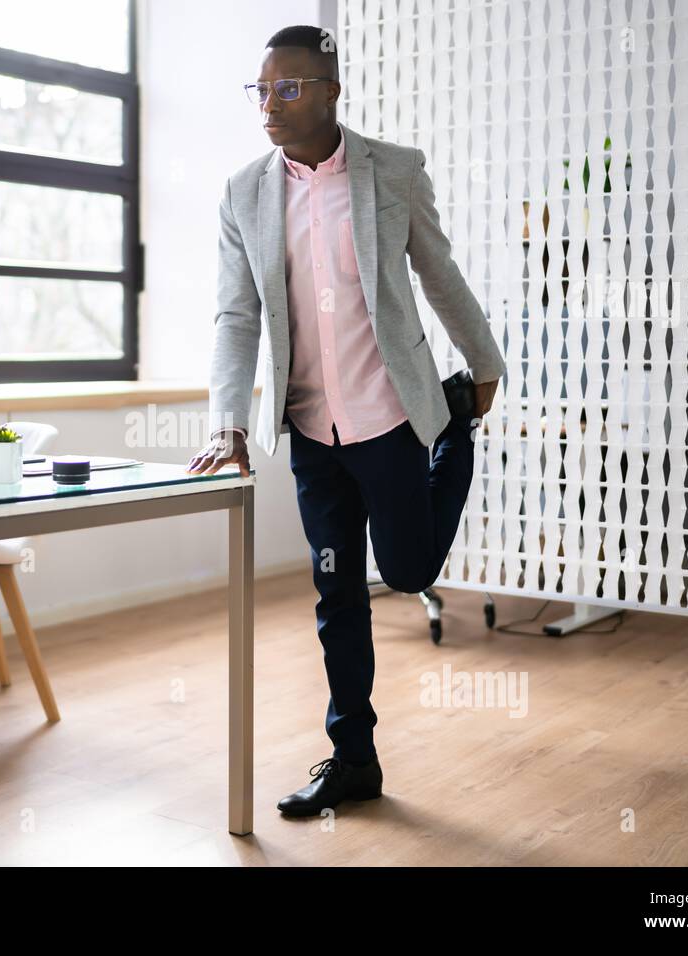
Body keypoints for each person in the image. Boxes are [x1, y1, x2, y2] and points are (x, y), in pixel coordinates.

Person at [186, 24, 505, 817]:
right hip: (311, 433)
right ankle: (353, 756)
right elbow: (236, 316)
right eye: (259, 89)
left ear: (329, 90)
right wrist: (227, 422)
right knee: (337, 599)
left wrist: (485, 361)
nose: (269, 104)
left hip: (390, 417)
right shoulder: (245, 192)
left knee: (406, 573)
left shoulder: (391, 171)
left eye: (287, 87)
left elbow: (439, 272)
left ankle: (454, 429)